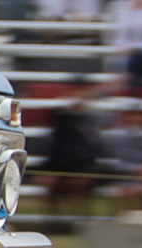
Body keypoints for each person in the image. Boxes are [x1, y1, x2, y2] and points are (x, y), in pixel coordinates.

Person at [39, 83, 106, 215]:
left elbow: (94, 146)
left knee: (80, 183)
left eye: (81, 91)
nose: (78, 95)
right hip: (60, 163)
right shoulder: (61, 116)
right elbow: (56, 145)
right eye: (75, 91)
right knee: (51, 181)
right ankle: (55, 221)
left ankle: (80, 219)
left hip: (85, 164)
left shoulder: (93, 117)